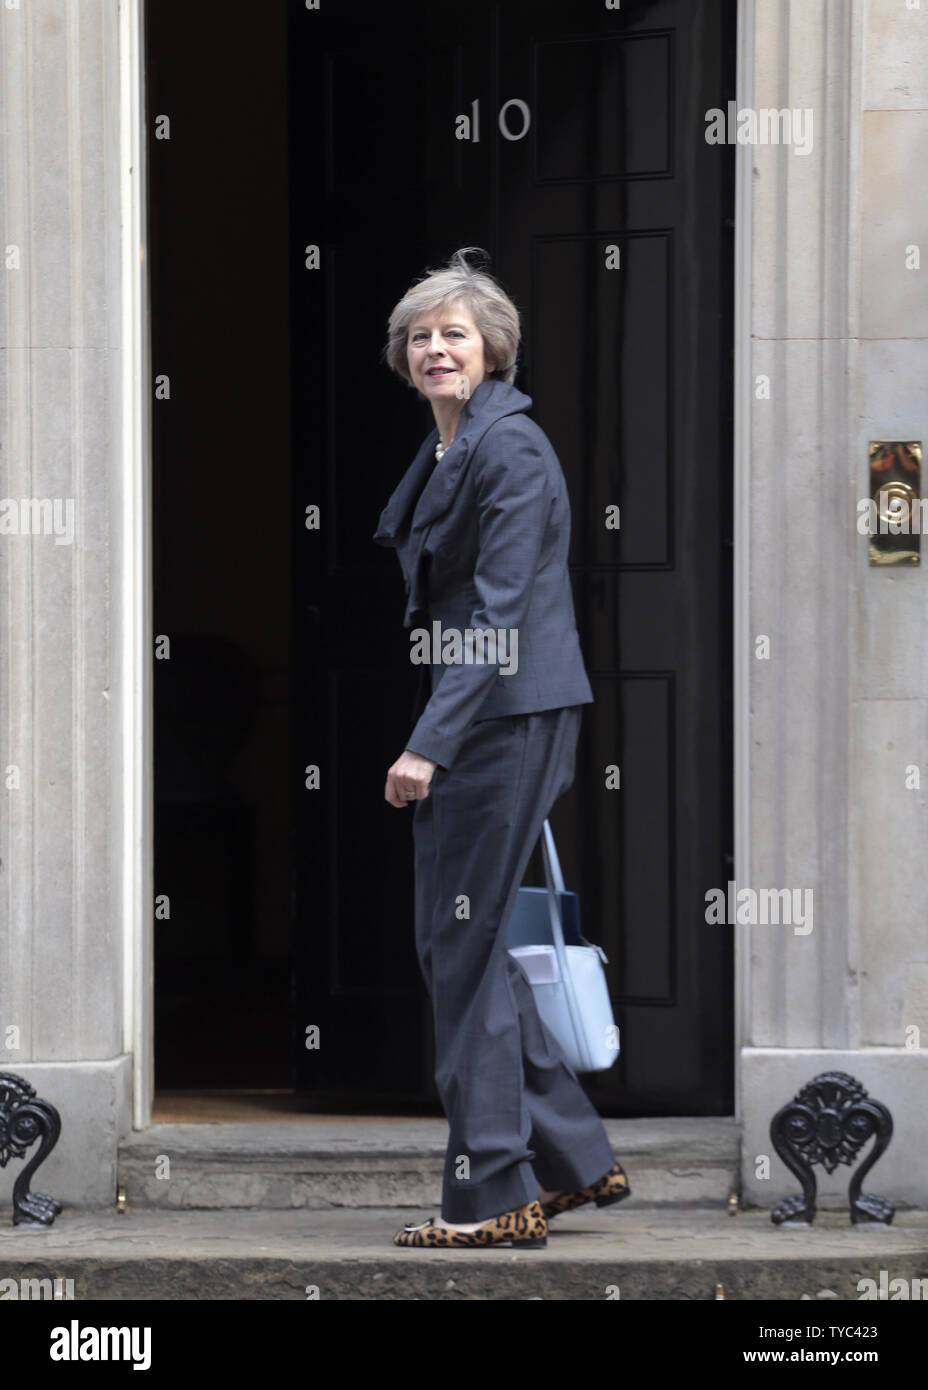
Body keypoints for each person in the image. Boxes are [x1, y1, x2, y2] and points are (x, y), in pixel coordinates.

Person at [373, 247, 630, 1250]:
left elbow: (500, 608)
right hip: (485, 713)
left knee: (463, 950)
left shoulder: (510, 450)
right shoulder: (449, 446)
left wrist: (427, 744)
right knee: (462, 946)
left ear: (493, 353)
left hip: (501, 716)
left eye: (455, 335)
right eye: (421, 335)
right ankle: (566, 1160)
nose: (436, 348)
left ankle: (490, 1194)